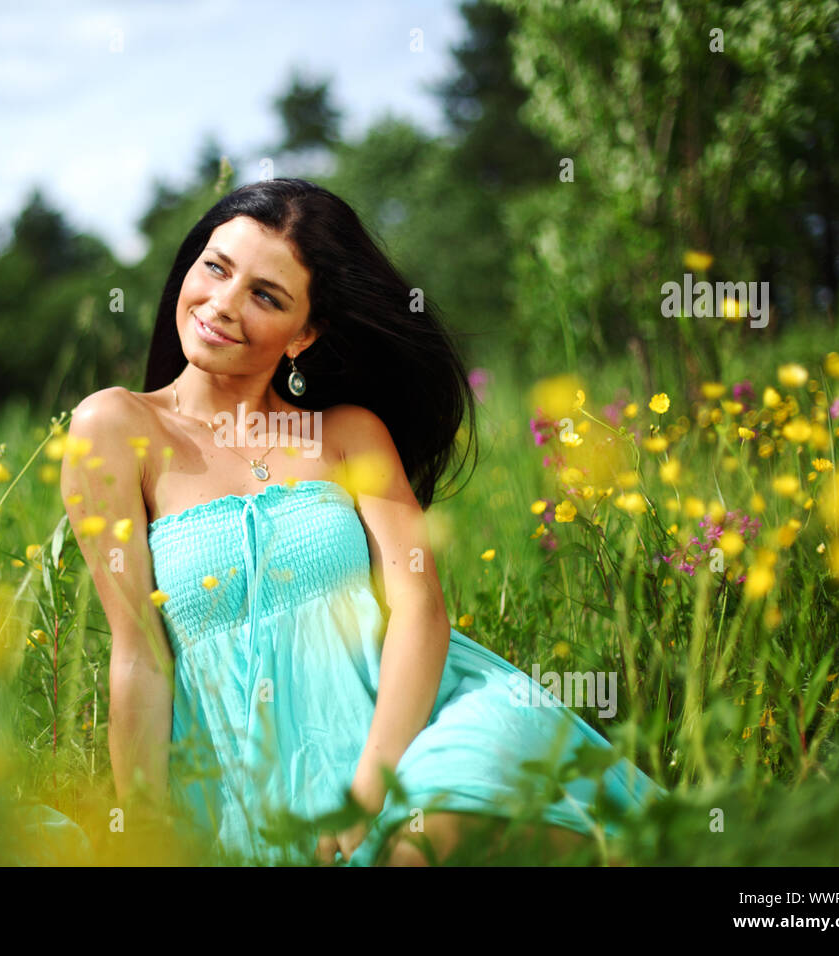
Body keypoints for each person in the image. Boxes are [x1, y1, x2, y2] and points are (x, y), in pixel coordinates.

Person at [59, 178, 666, 866]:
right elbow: (139, 655)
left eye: (266, 296)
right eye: (216, 267)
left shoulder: (348, 435)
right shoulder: (113, 426)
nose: (222, 305)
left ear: (304, 335)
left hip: (410, 736)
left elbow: (419, 606)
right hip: (239, 781)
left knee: (423, 841)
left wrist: (372, 787)